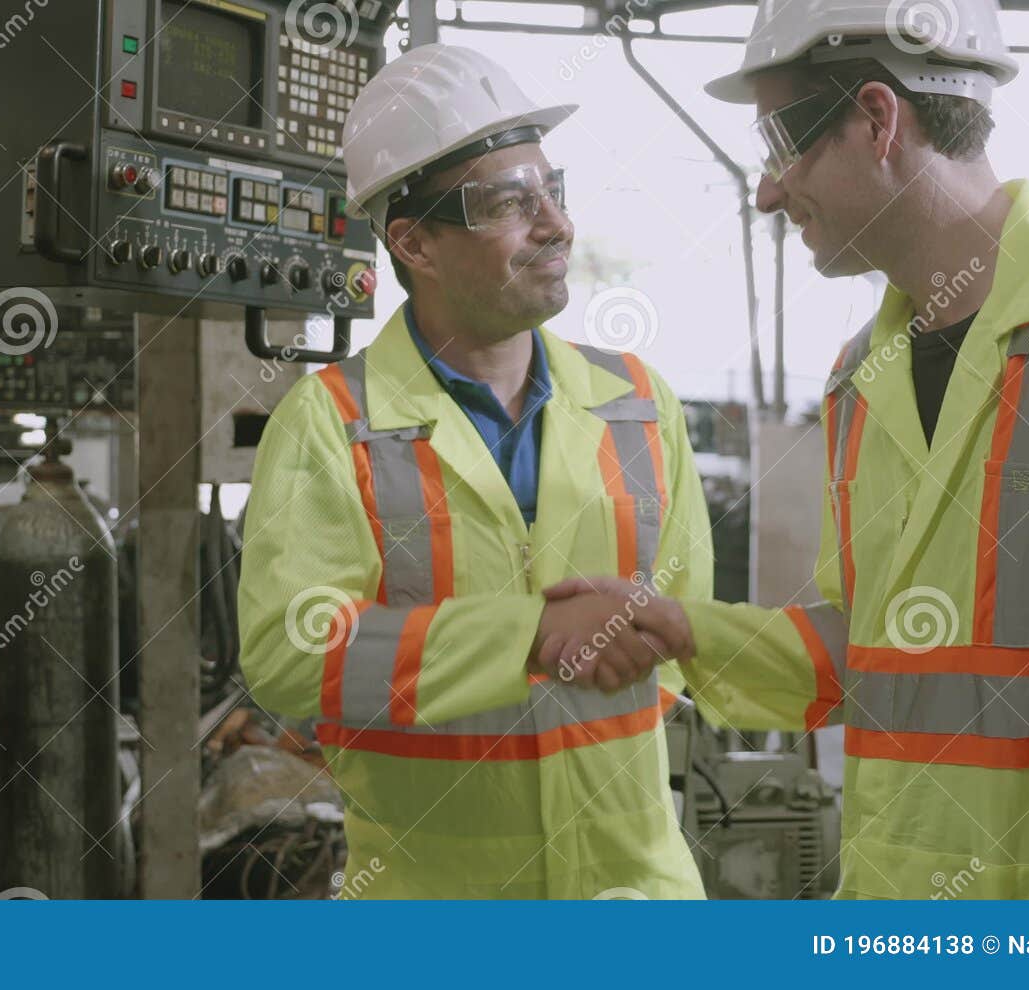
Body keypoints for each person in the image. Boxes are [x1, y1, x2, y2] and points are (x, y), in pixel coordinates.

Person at [550, 0, 1029, 897]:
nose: (768, 191)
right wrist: (683, 628)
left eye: (779, 143)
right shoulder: (861, 376)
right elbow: (878, 654)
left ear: (877, 117)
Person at [237, 43, 715, 898]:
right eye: (508, 203)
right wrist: (527, 635)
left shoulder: (639, 404)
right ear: (414, 242)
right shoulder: (332, 423)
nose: (555, 224)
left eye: (552, 190)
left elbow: (686, 635)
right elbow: (289, 653)